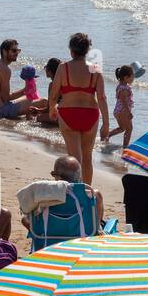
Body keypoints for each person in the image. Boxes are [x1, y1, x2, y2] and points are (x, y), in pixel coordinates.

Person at [48, 32, 109, 186]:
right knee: (87, 157)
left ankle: (76, 191)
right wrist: (106, 123)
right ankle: (87, 191)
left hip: (69, 113)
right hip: (90, 114)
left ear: (71, 50)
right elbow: (102, 98)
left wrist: (51, 109)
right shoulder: (95, 69)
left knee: (74, 158)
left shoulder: (63, 68)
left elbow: (54, 94)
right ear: (87, 50)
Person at [0, 38, 41, 120]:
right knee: (43, 101)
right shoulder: (4, 69)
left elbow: (2, 96)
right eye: (14, 51)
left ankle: (31, 117)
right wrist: (25, 90)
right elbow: (6, 98)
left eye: (18, 50)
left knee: (33, 98)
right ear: (4, 51)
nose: (17, 53)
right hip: (0, 112)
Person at [103, 62, 138, 146]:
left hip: (118, 111)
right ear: (126, 77)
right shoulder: (124, 89)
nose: (133, 79)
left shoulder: (120, 86)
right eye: (132, 77)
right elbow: (123, 102)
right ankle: (125, 146)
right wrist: (128, 112)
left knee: (122, 128)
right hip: (123, 111)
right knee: (129, 129)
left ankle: (107, 136)